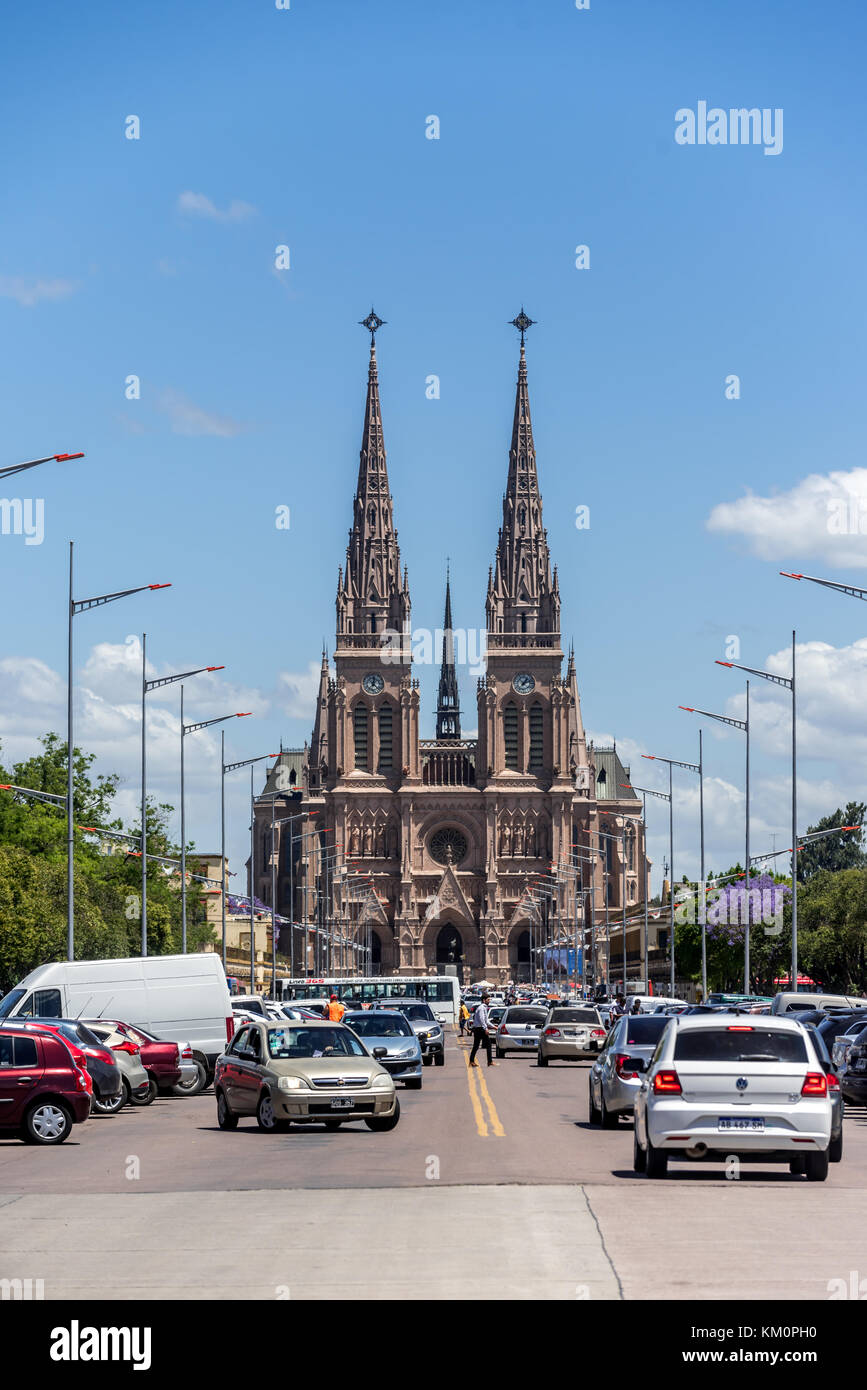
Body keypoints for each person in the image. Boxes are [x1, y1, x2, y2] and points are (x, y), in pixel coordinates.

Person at [469, 994, 497, 1067]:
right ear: (484, 1000)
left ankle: (471, 1061)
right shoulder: (481, 1008)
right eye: (488, 1000)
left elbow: (486, 1020)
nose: (489, 1001)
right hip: (480, 1029)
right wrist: (485, 1028)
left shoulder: (483, 1008)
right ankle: (490, 1061)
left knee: (476, 1046)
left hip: (478, 1029)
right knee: (488, 1045)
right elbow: (482, 1020)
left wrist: (494, 1027)